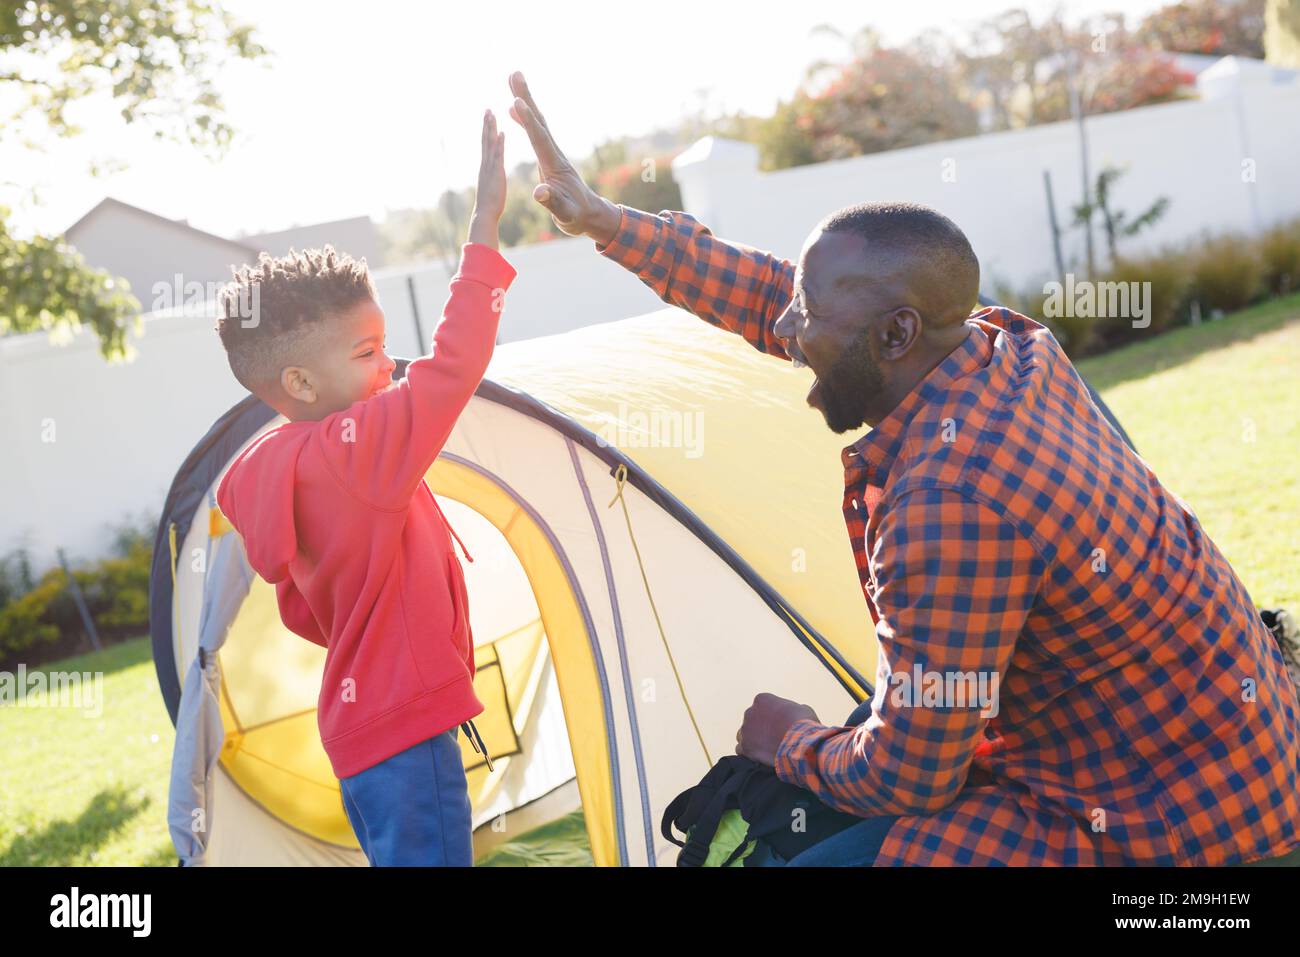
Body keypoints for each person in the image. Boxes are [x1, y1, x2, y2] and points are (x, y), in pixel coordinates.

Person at [506, 71, 1300, 866]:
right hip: (1213, 745)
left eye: (806, 313)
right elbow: (771, 295)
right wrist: (609, 223)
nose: (784, 328)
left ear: (895, 335)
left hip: (1169, 820)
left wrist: (790, 741)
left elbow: (906, 776)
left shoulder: (949, 498)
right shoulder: (1002, 343)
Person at [213, 110, 515, 866]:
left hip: (361, 738)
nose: (389, 367)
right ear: (301, 381)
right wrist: (484, 229)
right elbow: (453, 367)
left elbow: (308, 611)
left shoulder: (278, 466)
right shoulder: (357, 450)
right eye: (369, 351)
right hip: (408, 735)